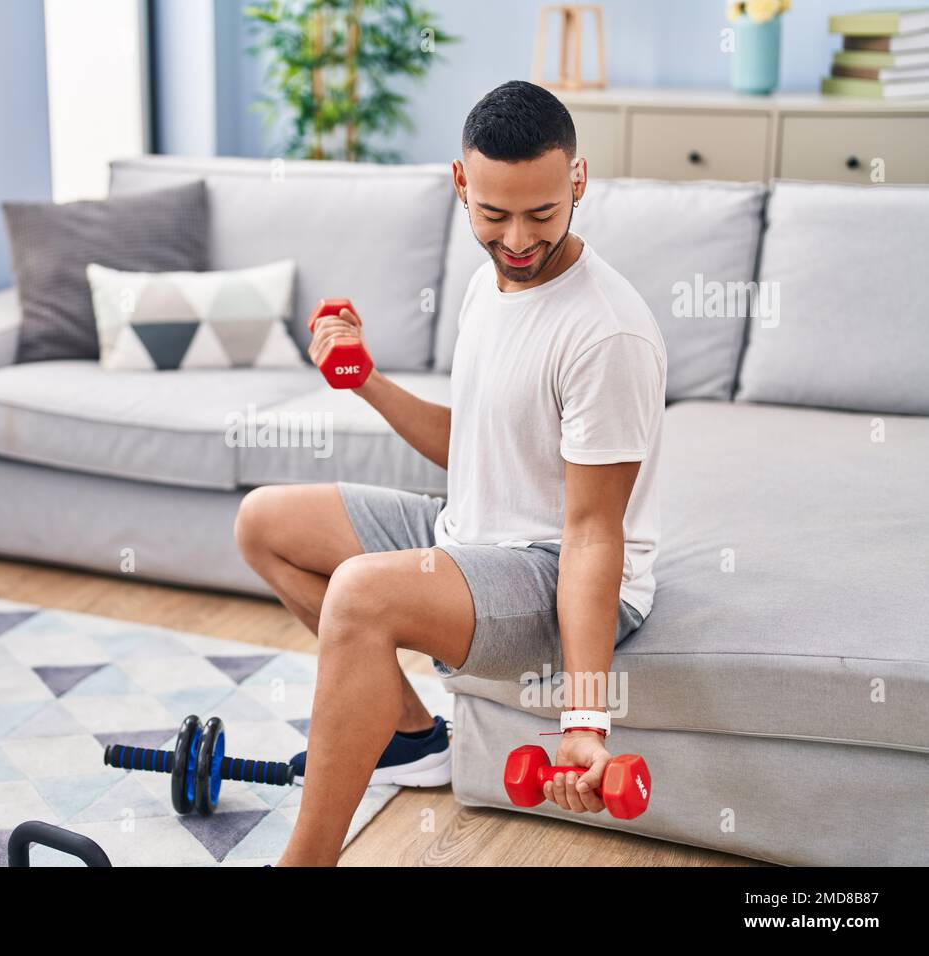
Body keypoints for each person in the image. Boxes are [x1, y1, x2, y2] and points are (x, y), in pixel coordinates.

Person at [234, 80, 667, 867]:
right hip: (466, 531)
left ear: (578, 180)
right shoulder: (488, 279)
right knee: (264, 520)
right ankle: (409, 739)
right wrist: (361, 376)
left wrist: (585, 721)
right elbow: (475, 443)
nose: (519, 240)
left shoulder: (607, 333)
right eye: (494, 215)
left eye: (542, 214)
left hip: (552, 569)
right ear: (460, 183)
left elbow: (593, 531)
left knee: (362, 592)